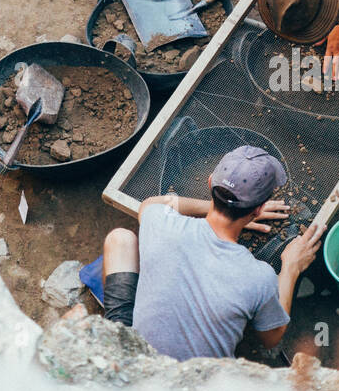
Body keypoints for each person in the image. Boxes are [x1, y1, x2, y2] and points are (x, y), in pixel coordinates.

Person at [98, 146, 321, 362]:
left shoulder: (160, 221)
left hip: (132, 363)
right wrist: (291, 267)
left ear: (209, 182)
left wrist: (214, 208)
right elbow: (271, 338)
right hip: (191, 388)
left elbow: (150, 204)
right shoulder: (259, 277)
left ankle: (115, 335)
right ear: (259, 209)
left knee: (120, 238)